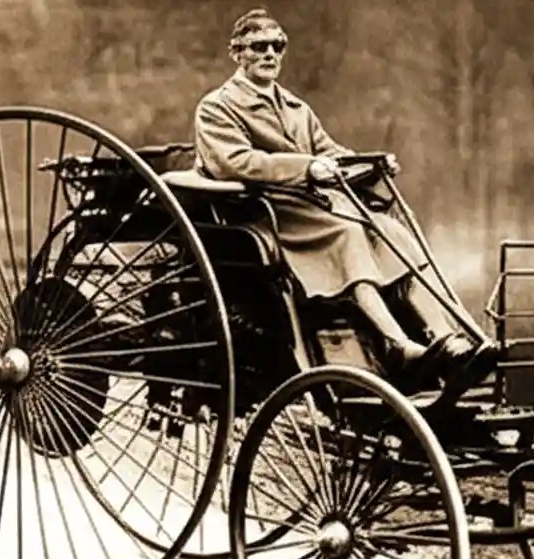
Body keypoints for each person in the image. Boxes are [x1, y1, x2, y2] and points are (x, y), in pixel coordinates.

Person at [192, 7, 499, 394]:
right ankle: (397, 344)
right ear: (237, 53)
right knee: (349, 233)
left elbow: (329, 151)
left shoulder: (296, 108)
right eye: (259, 46)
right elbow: (234, 162)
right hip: (270, 213)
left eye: (277, 46)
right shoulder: (218, 106)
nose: (270, 54)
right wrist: (306, 168)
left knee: (391, 232)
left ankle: (447, 342)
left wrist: (368, 164)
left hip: (315, 204)